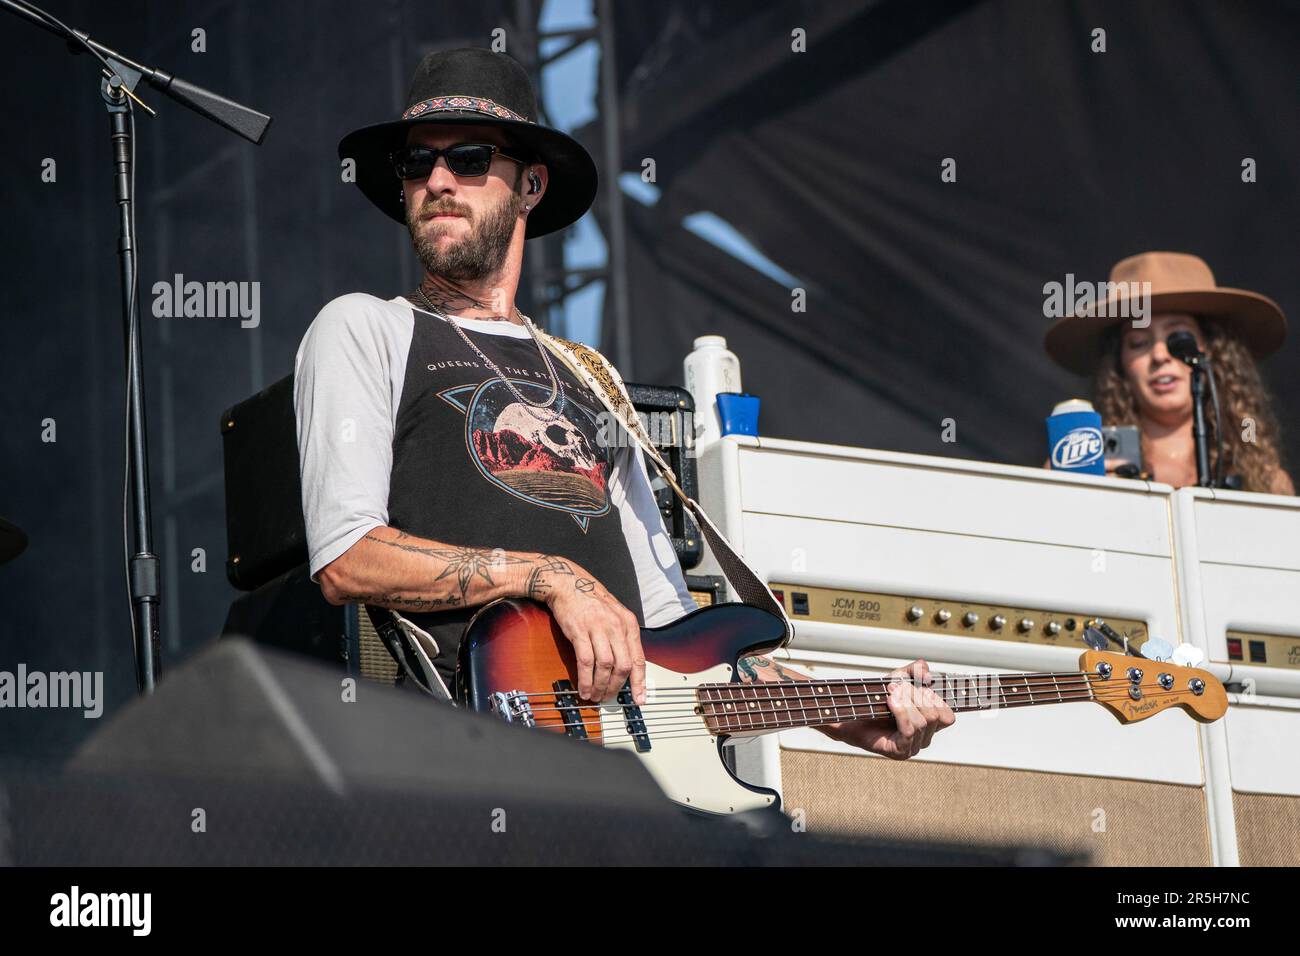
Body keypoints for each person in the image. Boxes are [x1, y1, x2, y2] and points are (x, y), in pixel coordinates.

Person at [294, 48, 953, 761]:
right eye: (417, 163)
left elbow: (673, 633)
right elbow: (347, 557)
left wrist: (838, 711)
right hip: (465, 752)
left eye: (471, 157)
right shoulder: (366, 327)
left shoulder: (590, 377)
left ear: (531, 185)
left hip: (622, 779)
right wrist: (550, 576)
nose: (439, 181)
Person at [1045, 252, 1293, 494]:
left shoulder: (1260, 472)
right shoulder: (1079, 463)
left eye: (1178, 338)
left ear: (1213, 351)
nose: (1160, 355)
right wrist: (1079, 496)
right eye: (1139, 342)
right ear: (1119, 366)